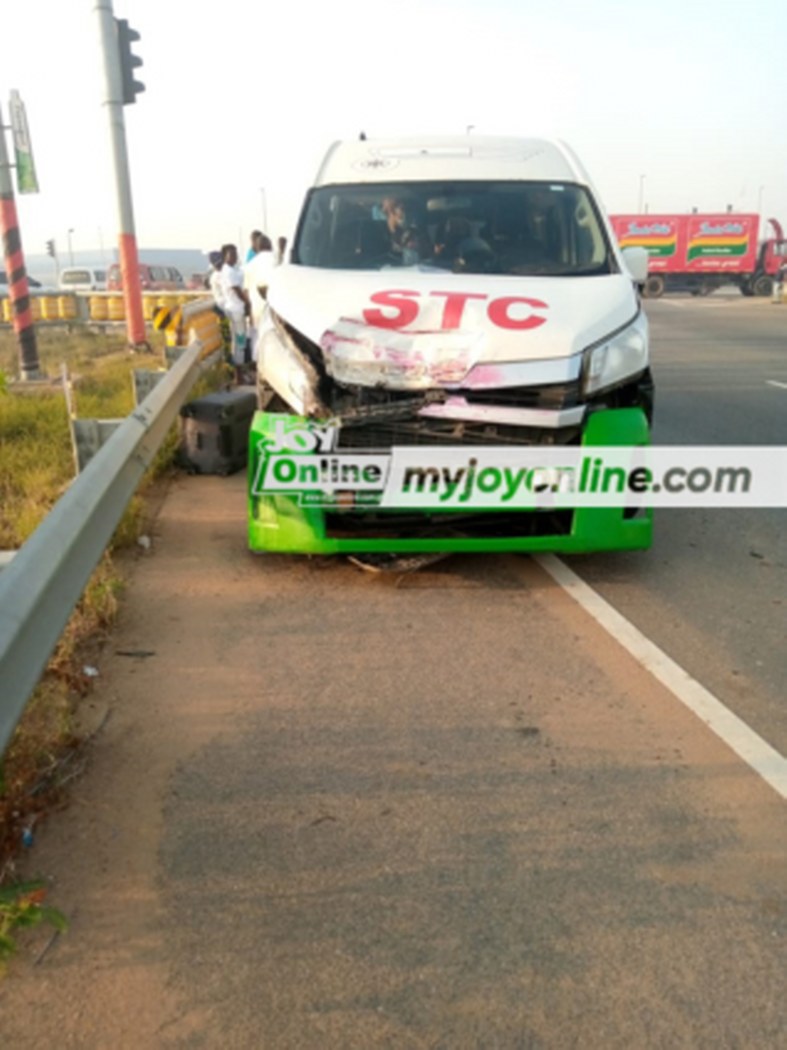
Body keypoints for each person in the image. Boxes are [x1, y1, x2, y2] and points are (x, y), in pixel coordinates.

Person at [220, 243, 250, 376]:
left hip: (237, 309)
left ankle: (241, 371)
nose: (235, 257)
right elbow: (237, 290)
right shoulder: (229, 272)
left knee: (240, 341)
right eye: (232, 254)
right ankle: (239, 375)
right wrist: (247, 302)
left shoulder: (233, 270)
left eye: (235, 254)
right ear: (225, 256)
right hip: (235, 309)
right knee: (239, 341)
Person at [244, 234, 276, 335]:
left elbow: (246, 292)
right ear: (270, 246)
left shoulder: (249, 266)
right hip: (275, 311)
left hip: (257, 311)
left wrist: (250, 313)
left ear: (257, 248)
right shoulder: (276, 259)